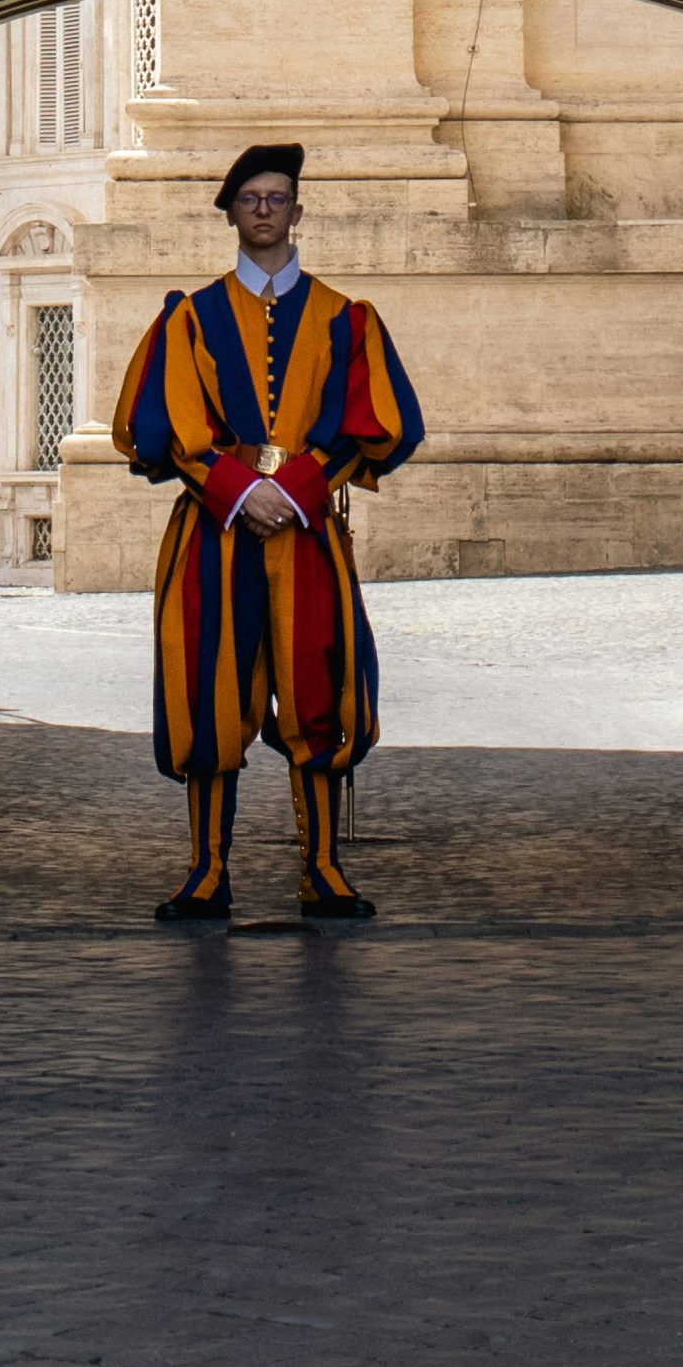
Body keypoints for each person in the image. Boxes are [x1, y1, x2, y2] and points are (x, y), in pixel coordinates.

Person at [111, 142, 423, 926]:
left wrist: (294, 492)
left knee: (318, 692)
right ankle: (206, 870)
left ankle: (322, 868)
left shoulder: (345, 318)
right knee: (210, 697)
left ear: (296, 209)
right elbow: (169, 423)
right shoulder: (191, 317)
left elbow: (375, 422)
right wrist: (241, 490)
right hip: (213, 536)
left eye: (276, 197)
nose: (263, 209)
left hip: (306, 534)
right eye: (249, 197)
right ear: (230, 212)